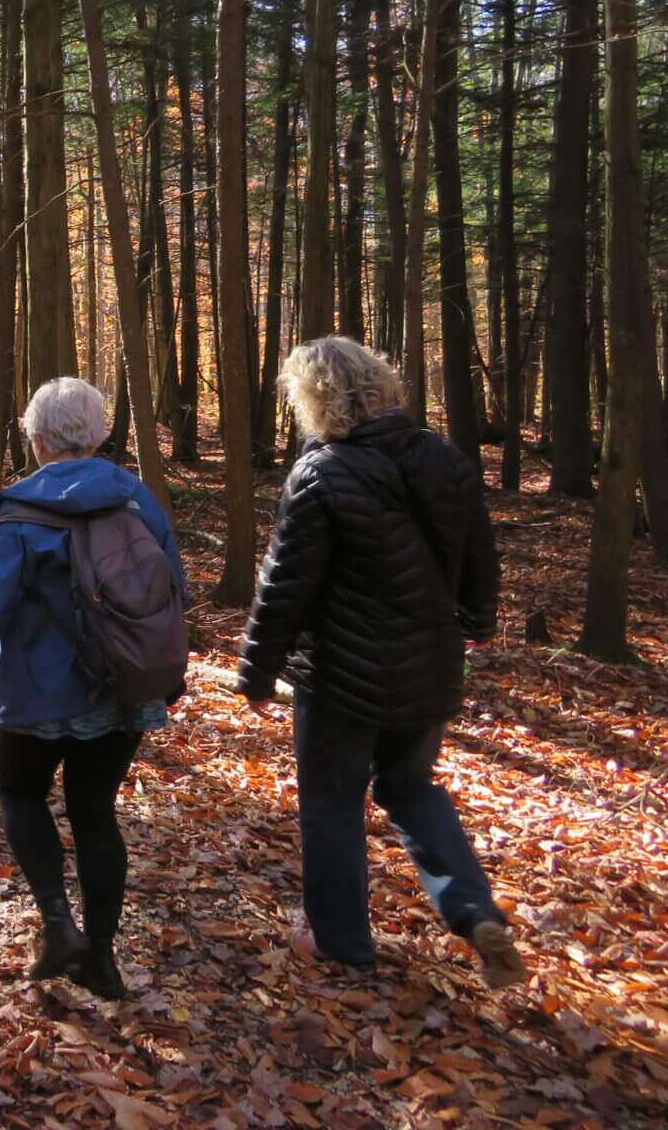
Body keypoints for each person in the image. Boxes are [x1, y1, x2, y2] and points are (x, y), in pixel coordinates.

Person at [238, 337, 524, 989]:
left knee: (333, 803)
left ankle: (341, 944)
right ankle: (473, 908)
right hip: (428, 667)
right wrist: (477, 624)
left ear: (314, 400)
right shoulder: (444, 458)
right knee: (410, 789)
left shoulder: (321, 472)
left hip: (343, 678)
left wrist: (257, 670)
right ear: (381, 385)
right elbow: (481, 555)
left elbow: (286, 583)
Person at [0, 376, 183, 1000]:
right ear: (97, 434)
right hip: (123, 683)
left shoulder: (19, 510)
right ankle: (99, 957)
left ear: (39, 440)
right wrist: (166, 669)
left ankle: (56, 922)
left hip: (36, 692)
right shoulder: (136, 498)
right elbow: (171, 588)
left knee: (21, 796)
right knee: (96, 814)